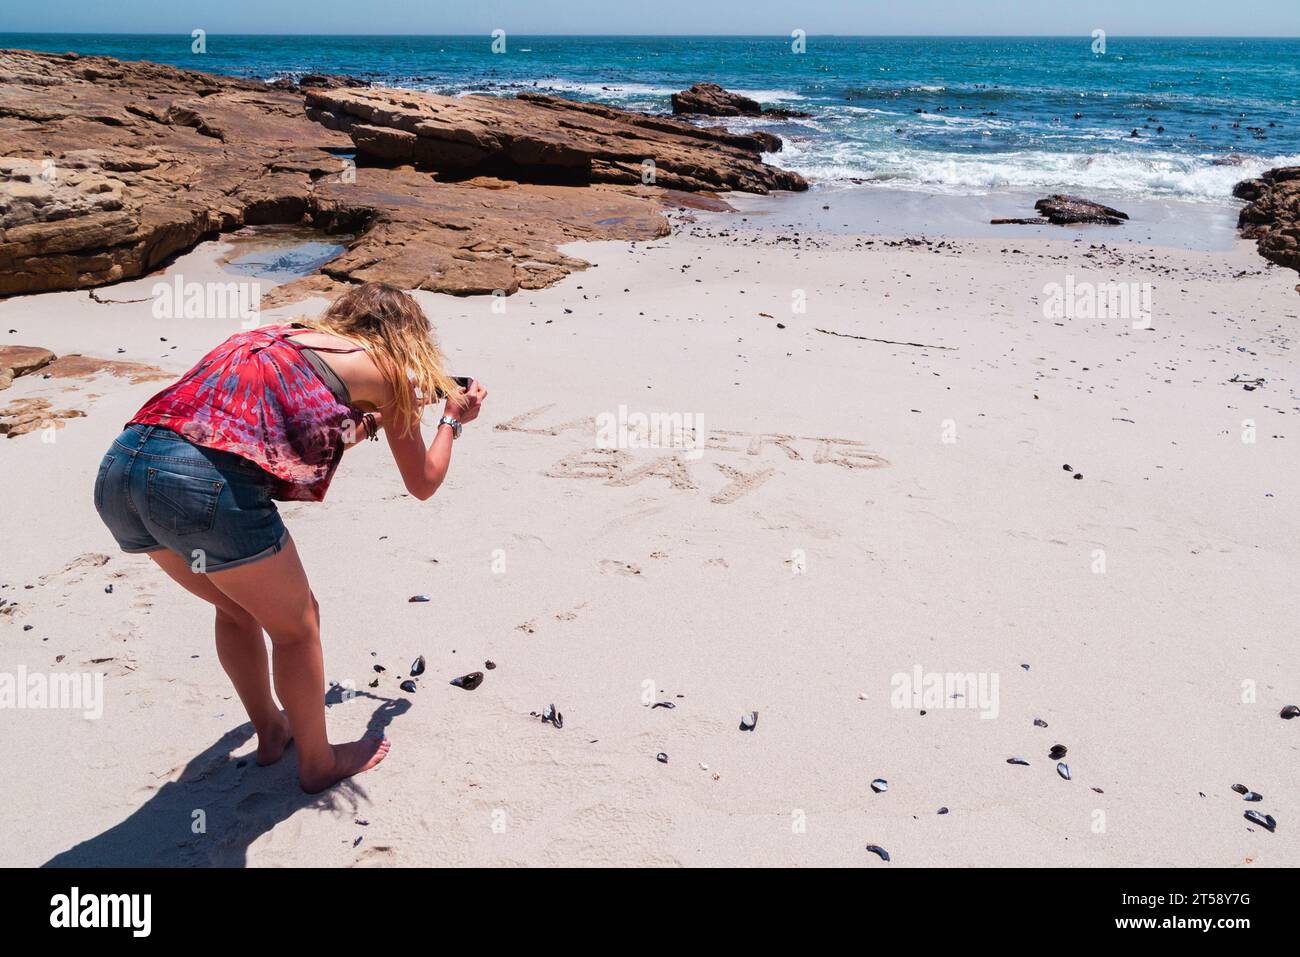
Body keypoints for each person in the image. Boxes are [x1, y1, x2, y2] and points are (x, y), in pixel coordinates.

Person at [93, 282, 487, 792]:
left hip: (121, 469)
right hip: (200, 483)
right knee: (298, 627)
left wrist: (372, 421)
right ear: (408, 336)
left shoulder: (280, 337)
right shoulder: (391, 371)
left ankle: (273, 731)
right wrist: (452, 421)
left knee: (237, 609)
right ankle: (318, 763)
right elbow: (423, 482)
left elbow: (283, 422)